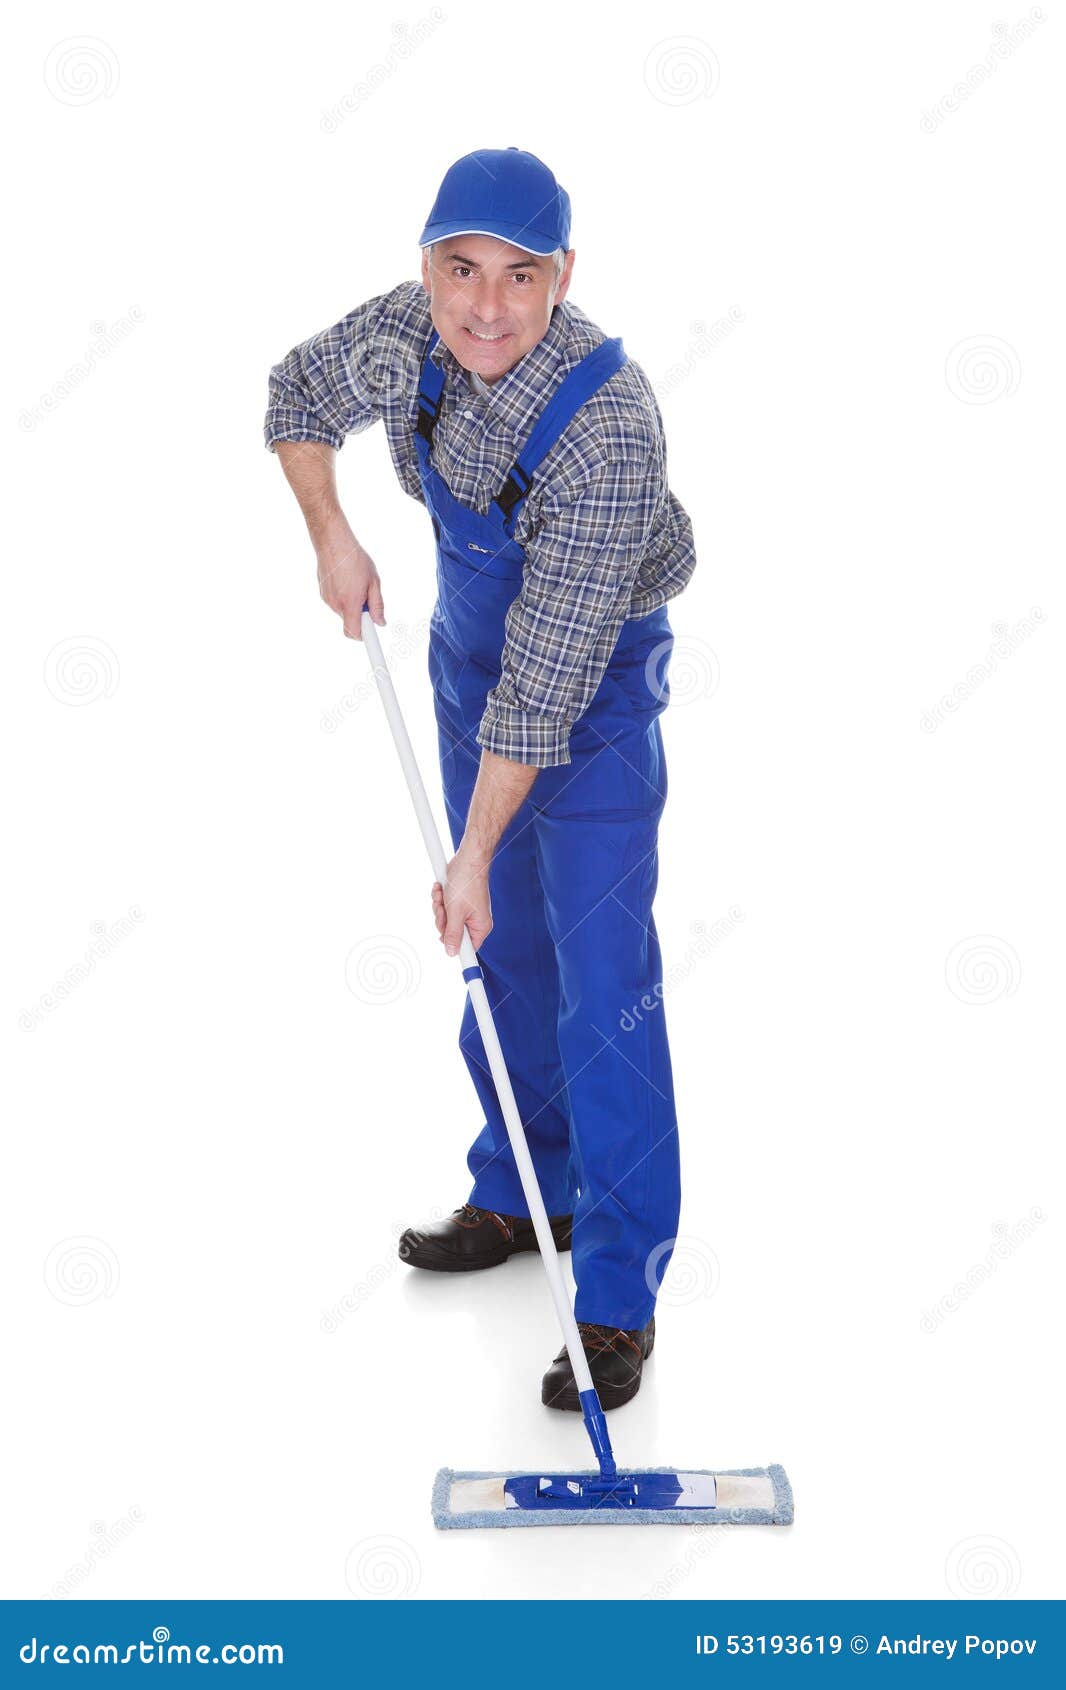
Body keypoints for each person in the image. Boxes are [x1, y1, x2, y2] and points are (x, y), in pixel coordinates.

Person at [264, 147, 697, 1411]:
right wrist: (333, 535)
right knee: (502, 947)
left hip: (591, 687)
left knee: (603, 979)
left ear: (566, 275)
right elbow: (295, 392)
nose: (486, 306)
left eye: (520, 275)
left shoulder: (608, 427)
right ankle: (521, 1193)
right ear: (425, 269)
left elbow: (549, 685)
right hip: (467, 659)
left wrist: (471, 852)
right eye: (460, 270)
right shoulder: (410, 333)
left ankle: (614, 1294)